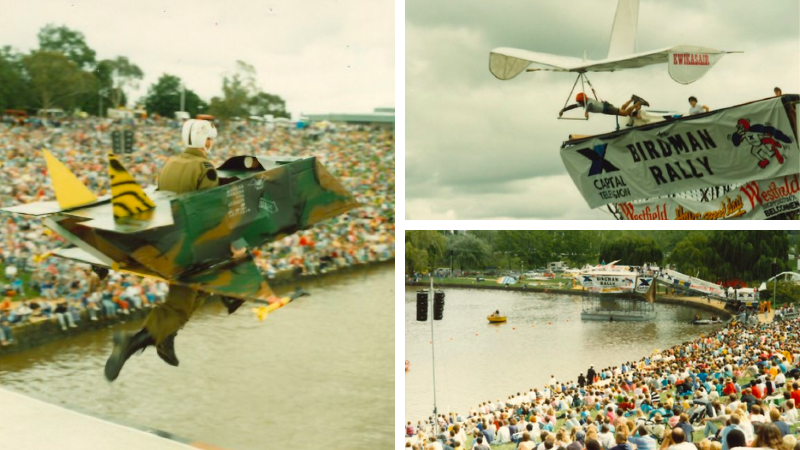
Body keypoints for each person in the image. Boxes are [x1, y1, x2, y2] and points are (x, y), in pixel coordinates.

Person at [104, 119, 245, 381]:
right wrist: (234, 247)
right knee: (181, 306)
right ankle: (131, 343)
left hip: (167, 244)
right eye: (210, 139)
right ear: (205, 140)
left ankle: (165, 339)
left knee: (196, 294)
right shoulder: (205, 168)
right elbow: (209, 215)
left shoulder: (170, 164)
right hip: (191, 250)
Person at [559, 93, 649, 119]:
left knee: (625, 113)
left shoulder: (589, 102)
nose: (580, 104)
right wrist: (563, 110)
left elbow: (590, 106)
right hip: (606, 108)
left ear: (583, 100)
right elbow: (573, 106)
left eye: (581, 102)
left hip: (606, 108)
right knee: (622, 110)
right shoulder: (583, 103)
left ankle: (639, 102)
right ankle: (632, 99)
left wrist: (586, 112)